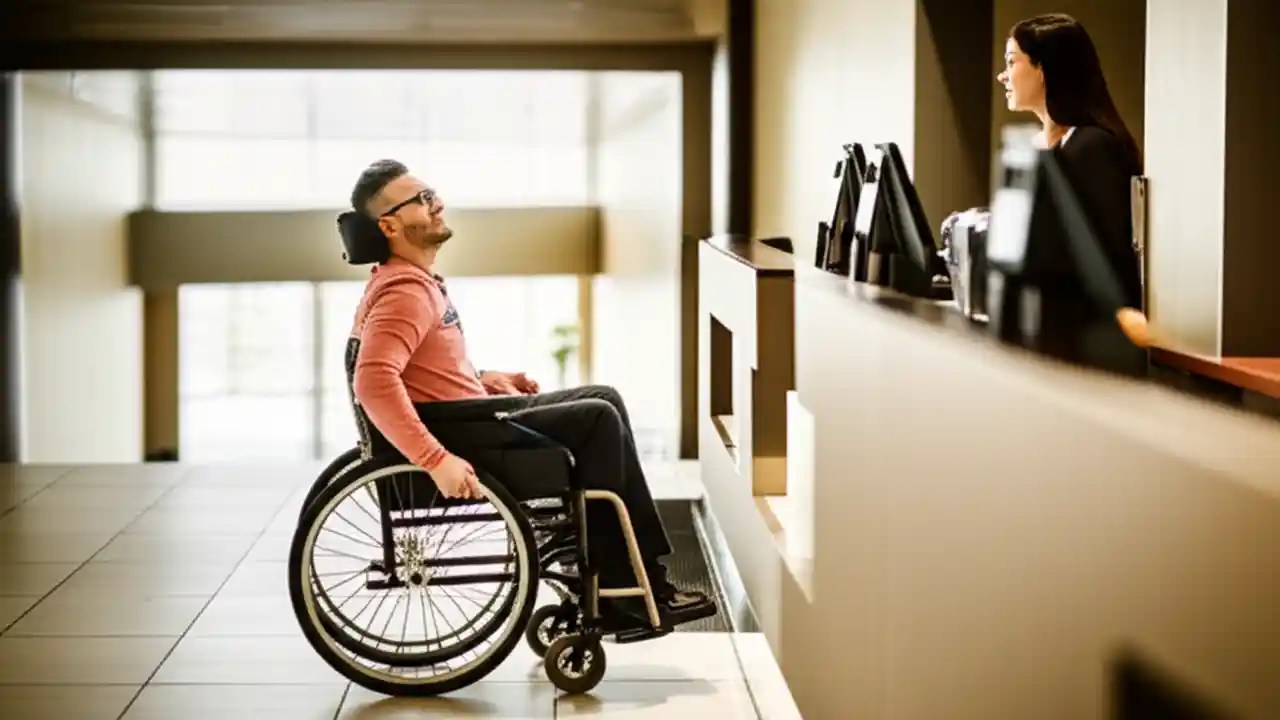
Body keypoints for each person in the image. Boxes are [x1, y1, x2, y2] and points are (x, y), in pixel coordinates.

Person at [345, 159, 715, 635]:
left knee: (604, 397)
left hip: (469, 412)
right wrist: (435, 460)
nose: (435, 204)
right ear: (389, 225)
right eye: (420, 199)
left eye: (431, 192)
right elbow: (373, 381)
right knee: (598, 418)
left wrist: (485, 379)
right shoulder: (406, 292)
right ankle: (620, 589)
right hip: (461, 433)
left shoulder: (411, 283)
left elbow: (421, 372)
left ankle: (642, 577)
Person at [997, 13, 1146, 320]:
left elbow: (1098, 261)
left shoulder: (1093, 148)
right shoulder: (1041, 147)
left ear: (1043, 69)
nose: (1003, 75)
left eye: (1012, 62)